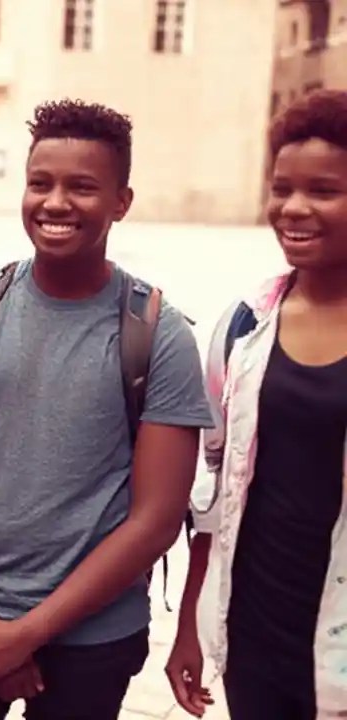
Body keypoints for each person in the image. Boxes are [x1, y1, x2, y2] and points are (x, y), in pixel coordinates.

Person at [0, 99, 215, 719]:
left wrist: (27, 635)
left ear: (121, 203)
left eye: (82, 187)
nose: (54, 203)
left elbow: (156, 520)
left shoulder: (159, 334)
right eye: (40, 183)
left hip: (92, 637)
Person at [165, 89, 347, 720]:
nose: (294, 208)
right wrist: (189, 622)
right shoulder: (244, 327)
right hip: (256, 640)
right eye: (281, 188)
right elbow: (215, 488)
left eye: (323, 190)